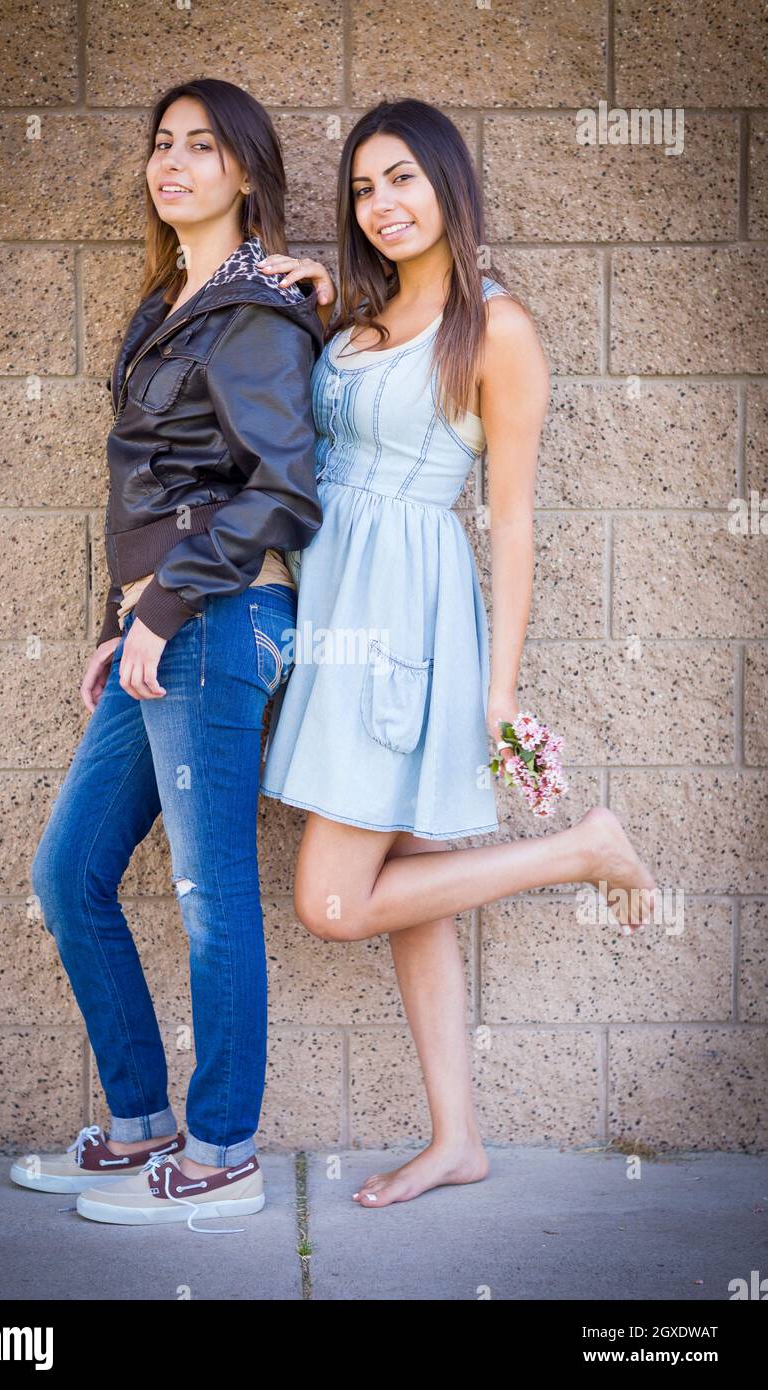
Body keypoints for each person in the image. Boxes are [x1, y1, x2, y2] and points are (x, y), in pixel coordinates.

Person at [256, 98, 657, 1210]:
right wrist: (322, 301)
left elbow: (513, 519)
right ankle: (457, 1138)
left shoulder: (496, 329)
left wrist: (497, 697)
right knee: (411, 894)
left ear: (447, 183)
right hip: (334, 615)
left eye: (401, 180)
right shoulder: (361, 318)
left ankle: (578, 849)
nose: (381, 205)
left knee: (333, 902)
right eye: (362, 188)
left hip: (402, 626)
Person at [12, 78, 325, 1229]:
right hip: (160, 633)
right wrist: (117, 622)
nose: (174, 162)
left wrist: (160, 609)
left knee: (209, 896)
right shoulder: (168, 304)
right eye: (161, 144)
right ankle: (140, 1122)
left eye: (202, 146)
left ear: (244, 171)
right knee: (69, 872)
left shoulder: (252, 308)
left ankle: (223, 1154)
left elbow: (281, 492)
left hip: (217, 620)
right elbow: (149, 486)